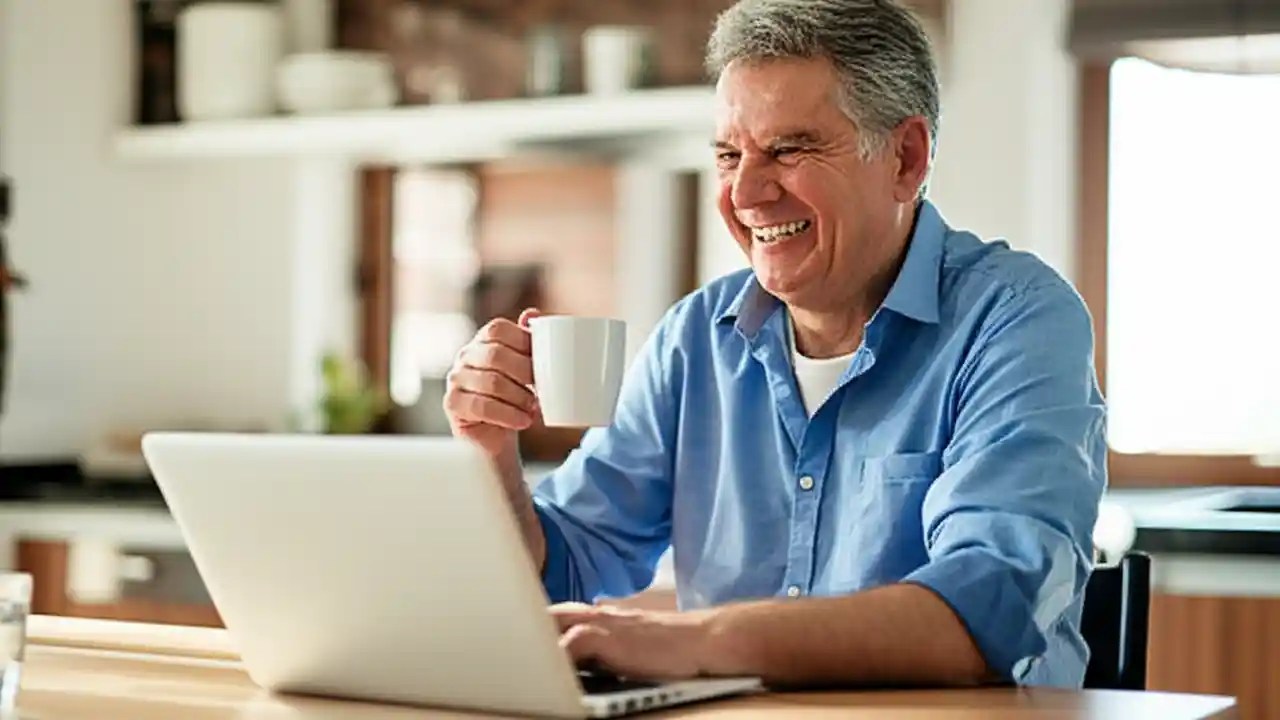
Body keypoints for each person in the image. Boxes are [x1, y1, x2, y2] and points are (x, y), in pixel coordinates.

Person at [444, 0, 1105, 689]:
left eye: (789, 150)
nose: (748, 193)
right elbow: (560, 571)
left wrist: (694, 639)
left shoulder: (1017, 319)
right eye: (730, 155)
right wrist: (488, 448)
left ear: (905, 160)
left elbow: (985, 609)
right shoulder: (695, 340)